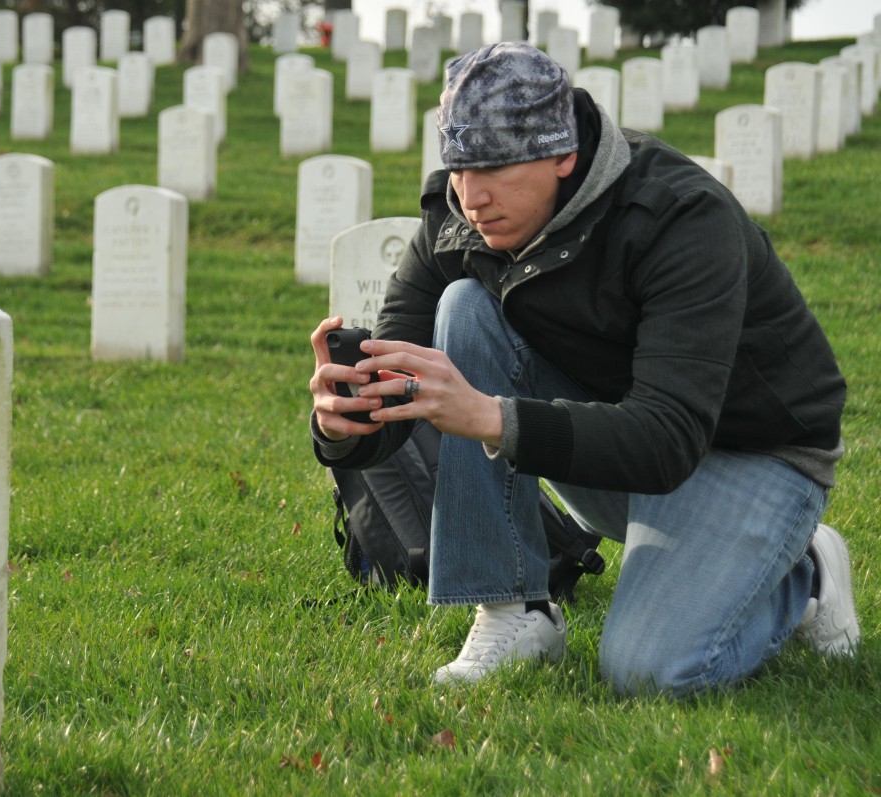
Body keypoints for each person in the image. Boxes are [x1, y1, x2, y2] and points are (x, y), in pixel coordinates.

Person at [308, 42, 860, 697]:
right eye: (458, 167)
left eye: (494, 167)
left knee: (651, 672)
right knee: (465, 305)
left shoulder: (679, 217)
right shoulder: (458, 222)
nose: (473, 196)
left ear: (564, 154)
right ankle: (517, 609)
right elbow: (395, 389)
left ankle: (807, 574)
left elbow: (668, 439)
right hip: (618, 436)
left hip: (752, 450)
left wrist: (488, 416)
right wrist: (342, 424)